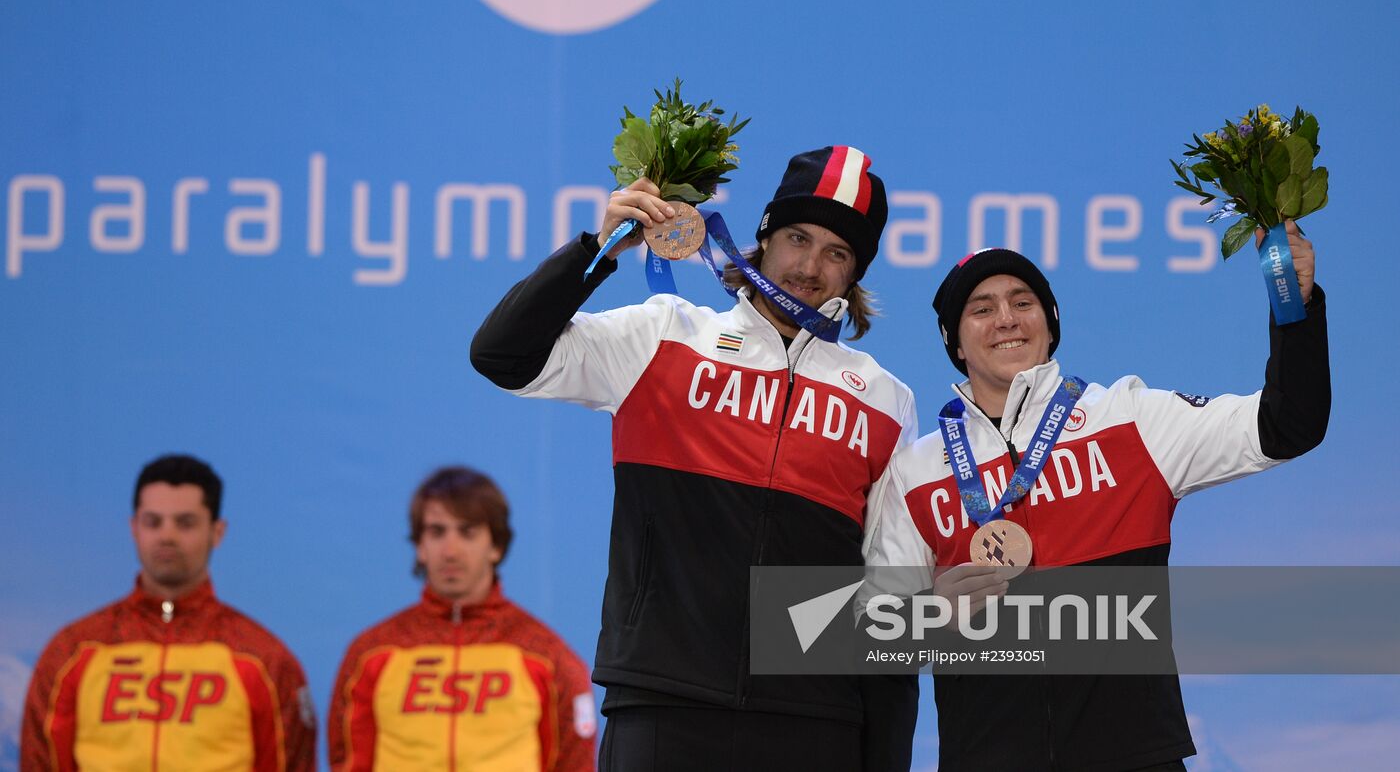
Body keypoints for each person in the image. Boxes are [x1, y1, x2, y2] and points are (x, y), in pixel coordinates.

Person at [471, 146, 920, 771]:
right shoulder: (664, 337)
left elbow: (886, 603)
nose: (810, 266)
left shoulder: (885, 401)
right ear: (762, 238)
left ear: (855, 275)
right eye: (798, 237)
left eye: (837, 253)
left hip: (815, 720)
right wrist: (595, 251)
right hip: (664, 702)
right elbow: (501, 356)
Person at [863, 221, 1330, 771]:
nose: (1007, 319)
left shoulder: (1130, 420)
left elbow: (1287, 423)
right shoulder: (916, 471)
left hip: (1134, 757)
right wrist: (930, 614)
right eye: (981, 309)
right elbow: (875, 633)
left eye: (1023, 301)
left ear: (1050, 322)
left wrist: (1293, 309)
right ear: (955, 342)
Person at [20, 454, 315, 771]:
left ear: (217, 531)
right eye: (153, 521)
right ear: (134, 528)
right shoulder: (73, 652)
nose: (167, 536)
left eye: (185, 523)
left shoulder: (263, 659)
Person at [328, 466, 596, 771]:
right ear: (420, 546)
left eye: (467, 532)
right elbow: (348, 762)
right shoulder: (371, 653)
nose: (451, 551)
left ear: (495, 546)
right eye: (437, 532)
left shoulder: (548, 657)